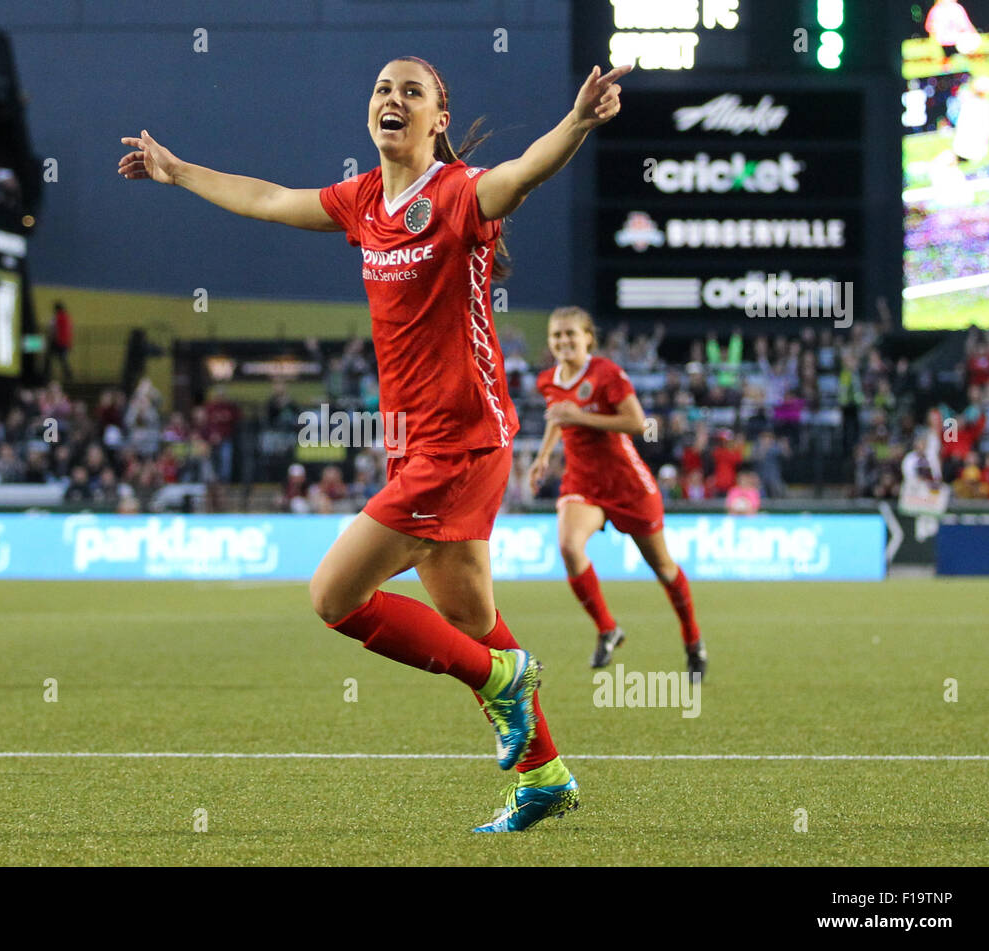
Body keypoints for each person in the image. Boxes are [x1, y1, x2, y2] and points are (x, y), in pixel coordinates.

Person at [119, 55, 631, 832]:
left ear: (439, 119)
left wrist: (579, 122)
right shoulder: (363, 200)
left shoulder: (458, 196)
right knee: (468, 616)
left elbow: (523, 174)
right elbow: (268, 199)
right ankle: (546, 776)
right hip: (415, 446)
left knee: (334, 596)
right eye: (382, 90)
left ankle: (505, 681)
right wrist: (175, 169)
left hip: (459, 447)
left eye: (411, 92)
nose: (392, 100)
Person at [529, 307, 707, 681]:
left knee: (663, 568)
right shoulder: (548, 380)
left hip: (627, 485)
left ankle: (693, 640)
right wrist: (544, 456)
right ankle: (608, 628)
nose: (563, 341)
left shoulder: (606, 373)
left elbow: (639, 423)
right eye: (556, 335)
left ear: (588, 338)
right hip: (582, 483)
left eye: (570, 334)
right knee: (569, 547)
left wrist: (581, 416)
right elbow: (558, 418)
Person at [45, 301, 74, 383]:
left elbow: (52, 328)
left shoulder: (56, 317)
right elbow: (69, 329)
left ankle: (46, 373)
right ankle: (68, 374)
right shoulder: (66, 317)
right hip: (65, 342)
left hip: (57, 341)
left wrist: (50, 337)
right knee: (63, 359)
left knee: (49, 357)